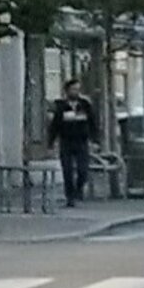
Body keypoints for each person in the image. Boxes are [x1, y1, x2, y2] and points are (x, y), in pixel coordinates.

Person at [48, 79, 97, 207]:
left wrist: (95, 139)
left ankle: (78, 189)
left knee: (83, 170)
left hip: (81, 141)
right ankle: (70, 196)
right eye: (73, 89)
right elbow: (55, 125)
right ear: (67, 91)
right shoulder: (62, 107)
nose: (76, 92)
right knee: (67, 171)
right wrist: (51, 143)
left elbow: (92, 122)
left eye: (78, 89)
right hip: (66, 142)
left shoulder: (84, 105)